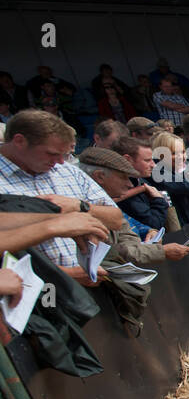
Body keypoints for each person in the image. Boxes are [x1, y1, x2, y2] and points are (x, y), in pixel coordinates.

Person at [0, 110, 126, 284]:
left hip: (91, 285)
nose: (59, 161)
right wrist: (61, 274)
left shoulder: (67, 170)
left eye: (63, 155)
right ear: (19, 141)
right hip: (35, 297)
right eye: (51, 154)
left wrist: (81, 207)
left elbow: (116, 219)